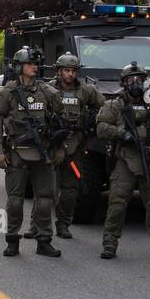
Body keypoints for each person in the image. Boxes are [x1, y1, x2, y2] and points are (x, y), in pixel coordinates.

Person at [96, 62, 150, 260]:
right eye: (131, 80)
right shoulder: (114, 106)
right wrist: (122, 134)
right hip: (125, 160)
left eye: (140, 80)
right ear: (123, 83)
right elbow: (101, 128)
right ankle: (110, 244)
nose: (136, 83)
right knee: (117, 204)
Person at [0, 48, 61, 258]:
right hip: (16, 151)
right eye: (30, 63)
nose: (34, 67)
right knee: (15, 200)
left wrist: (59, 147)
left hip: (42, 152)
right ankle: (12, 240)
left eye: (36, 63)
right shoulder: (7, 93)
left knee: (45, 199)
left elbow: (60, 123)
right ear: (20, 67)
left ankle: (44, 239)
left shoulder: (49, 93)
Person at [46, 52, 103, 240]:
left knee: (70, 190)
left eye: (73, 71)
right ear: (59, 71)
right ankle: (39, 225)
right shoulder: (48, 89)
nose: (70, 74)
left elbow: (105, 107)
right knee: (46, 189)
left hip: (76, 146)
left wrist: (94, 120)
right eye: (66, 70)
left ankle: (63, 224)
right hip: (52, 145)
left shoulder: (86, 91)